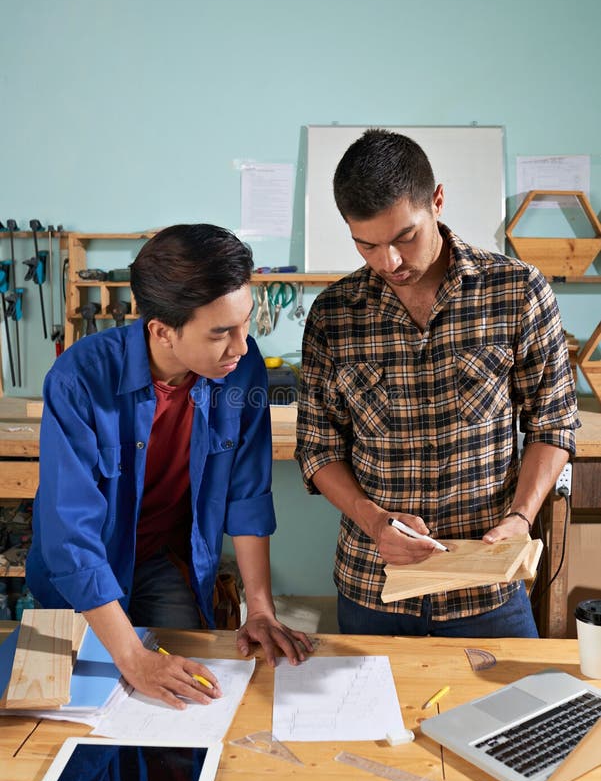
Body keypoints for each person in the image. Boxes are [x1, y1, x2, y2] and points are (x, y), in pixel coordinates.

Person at [295, 129, 579, 638]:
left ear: (438, 201)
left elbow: (553, 422)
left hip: (487, 586)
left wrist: (520, 516)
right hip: (374, 586)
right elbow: (318, 448)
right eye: (367, 244)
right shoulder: (334, 314)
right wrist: (375, 521)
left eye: (405, 236)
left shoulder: (516, 291)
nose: (389, 262)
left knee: (518, 717)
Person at [27, 223, 313, 709]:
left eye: (245, 325)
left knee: (185, 697)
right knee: (78, 712)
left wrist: (259, 606)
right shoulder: (78, 379)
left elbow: (246, 495)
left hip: (163, 560)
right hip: (81, 575)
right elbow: (69, 533)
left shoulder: (240, 369)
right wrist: (132, 656)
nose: (241, 347)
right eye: (221, 333)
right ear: (161, 330)